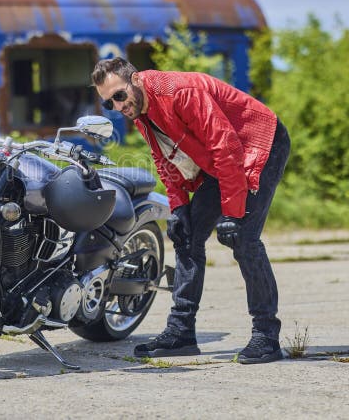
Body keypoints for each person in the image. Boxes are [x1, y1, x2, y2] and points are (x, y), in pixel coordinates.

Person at [91, 57, 291, 364]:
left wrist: (233, 214)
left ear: (135, 79)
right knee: (186, 236)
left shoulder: (179, 92)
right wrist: (180, 207)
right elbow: (164, 160)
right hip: (220, 158)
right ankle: (181, 332)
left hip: (258, 143)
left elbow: (226, 146)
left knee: (244, 238)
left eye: (119, 96)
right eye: (108, 104)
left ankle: (266, 336)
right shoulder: (142, 111)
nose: (118, 107)